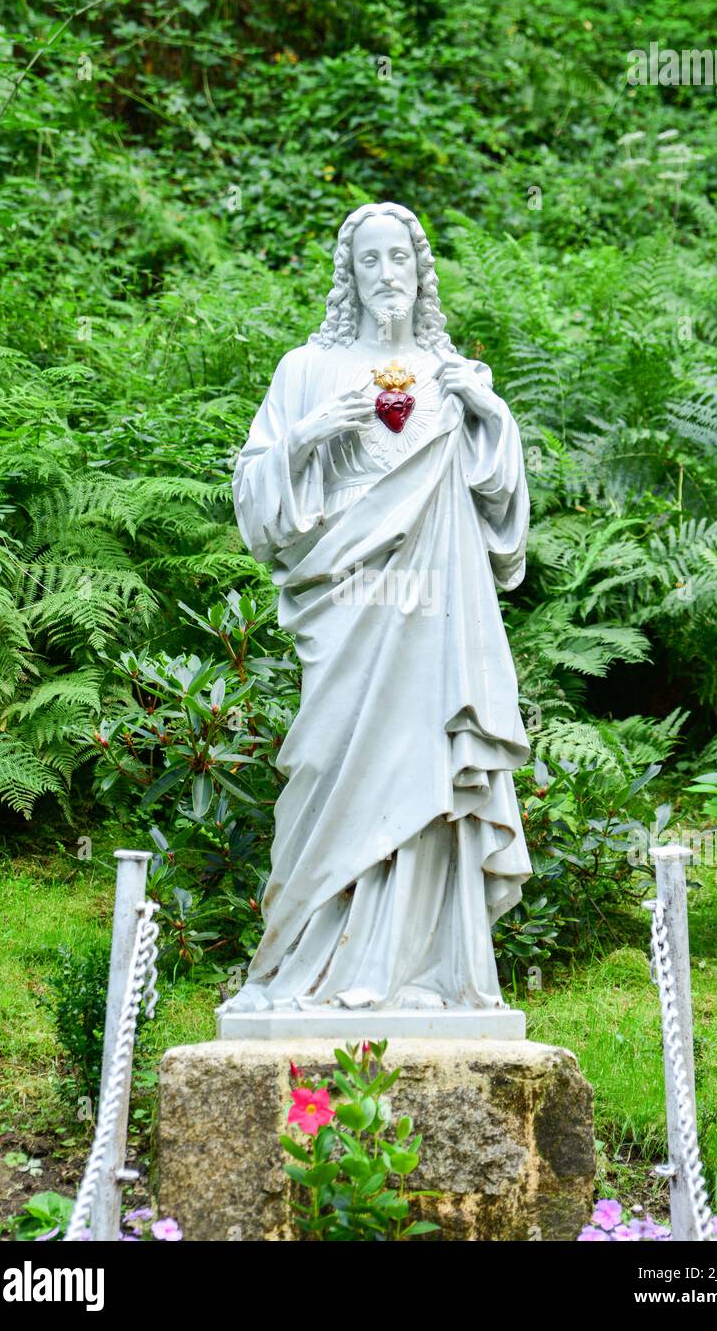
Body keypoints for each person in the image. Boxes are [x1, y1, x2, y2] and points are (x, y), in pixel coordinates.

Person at [219, 201, 532, 1016]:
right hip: (345, 599)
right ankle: (300, 961)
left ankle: (420, 970)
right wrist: (308, 435)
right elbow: (255, 500)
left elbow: (499, 511)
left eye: (401, 260)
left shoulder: (453, 376)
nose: (386, 275)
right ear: (348, 275)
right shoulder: (305, 372)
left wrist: (491, 417)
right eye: (370, 261)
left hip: (436, 610)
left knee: (428, 766)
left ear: (420, 272)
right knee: (327, 763)